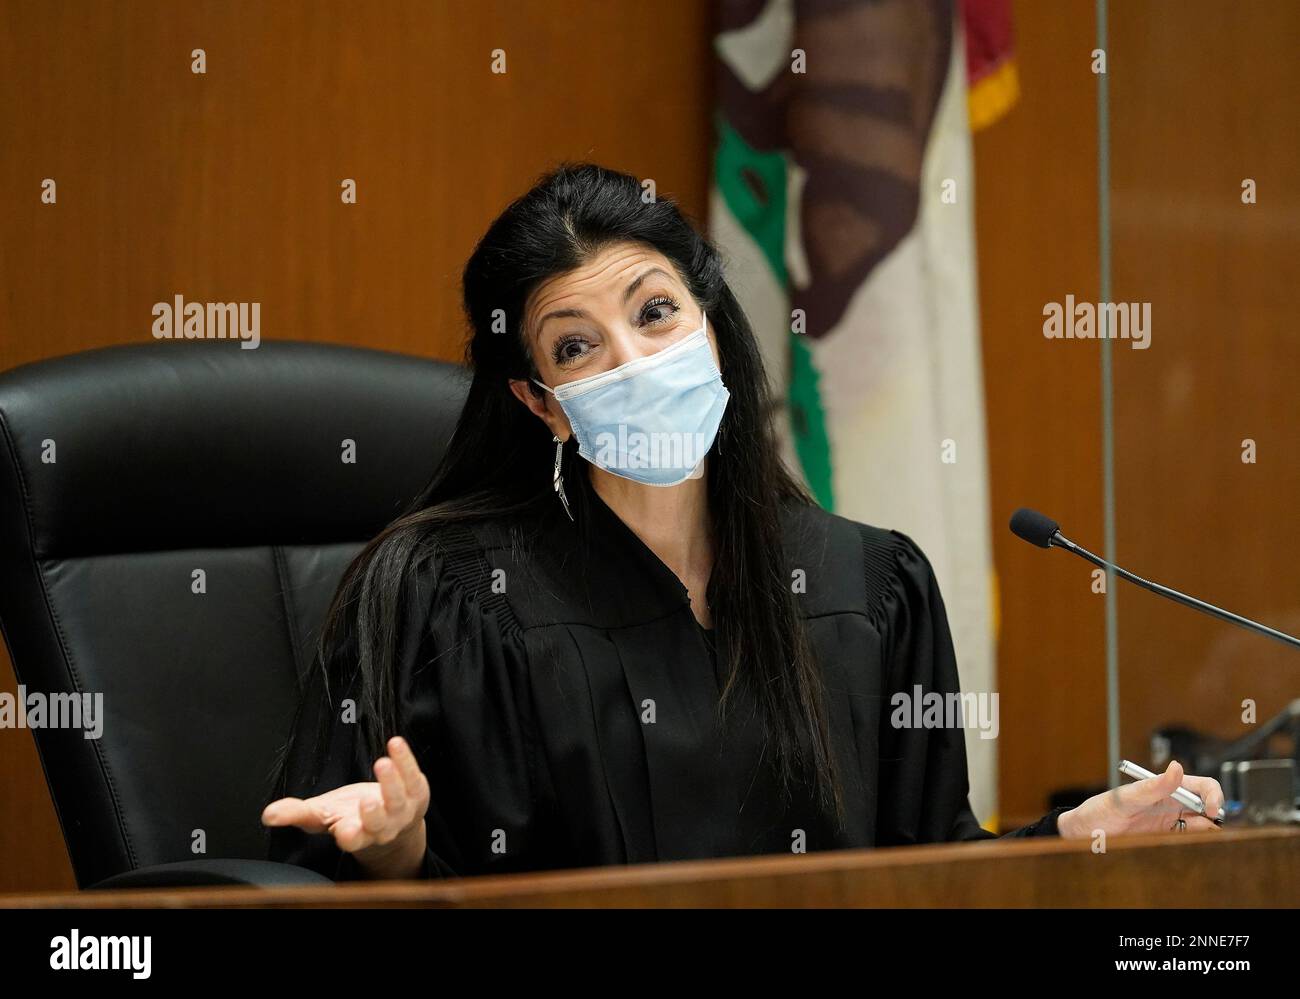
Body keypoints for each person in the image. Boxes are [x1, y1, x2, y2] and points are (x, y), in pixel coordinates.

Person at [261, 162, 1224, 881]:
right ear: (540, 400)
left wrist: (1072, 839)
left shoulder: (870, 586)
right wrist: (398, 852)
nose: (632, 361)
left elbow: (926, 872)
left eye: (656, 312)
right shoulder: (451, 598)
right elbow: (327, 868)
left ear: (711, 323)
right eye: (576, 345)